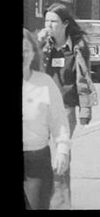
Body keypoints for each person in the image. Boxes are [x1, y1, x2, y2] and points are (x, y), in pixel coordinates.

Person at [39, 2, 93, 209]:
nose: (49, 25)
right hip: (43, 107)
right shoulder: (44, 45)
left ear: (65, 24)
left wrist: (86, 110)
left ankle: (61, 203)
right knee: (39, 154)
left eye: (53, 21)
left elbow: (85, 81)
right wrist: (39, 43)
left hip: (66, 108)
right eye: (46, 21)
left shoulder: (78, 48)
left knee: (60, 156)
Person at [23, 28, 70, 210]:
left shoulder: (45, 83)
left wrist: (62, 150)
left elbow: (59, 122)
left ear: (33, 53)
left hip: (36, 161)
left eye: (25, 50)